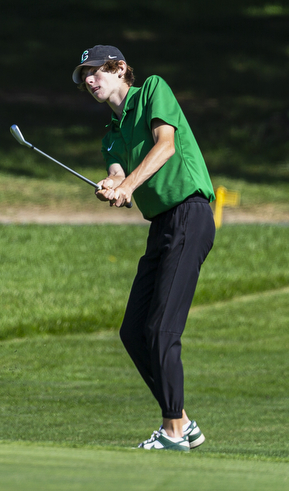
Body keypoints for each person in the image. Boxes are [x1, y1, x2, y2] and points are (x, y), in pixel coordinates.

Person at [73, 45, 217, 452]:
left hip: (190, 214)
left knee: (161, 329)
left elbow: (165, 145)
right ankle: (183, 422)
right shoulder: (111, 134)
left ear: (120, 70)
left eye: (95, 71)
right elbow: (117, 170)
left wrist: (128, 186)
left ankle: (173, 433)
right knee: (134, 331)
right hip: (161, 226)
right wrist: (112, 185)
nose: (88, 80)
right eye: (83, 76)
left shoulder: (152, 89)